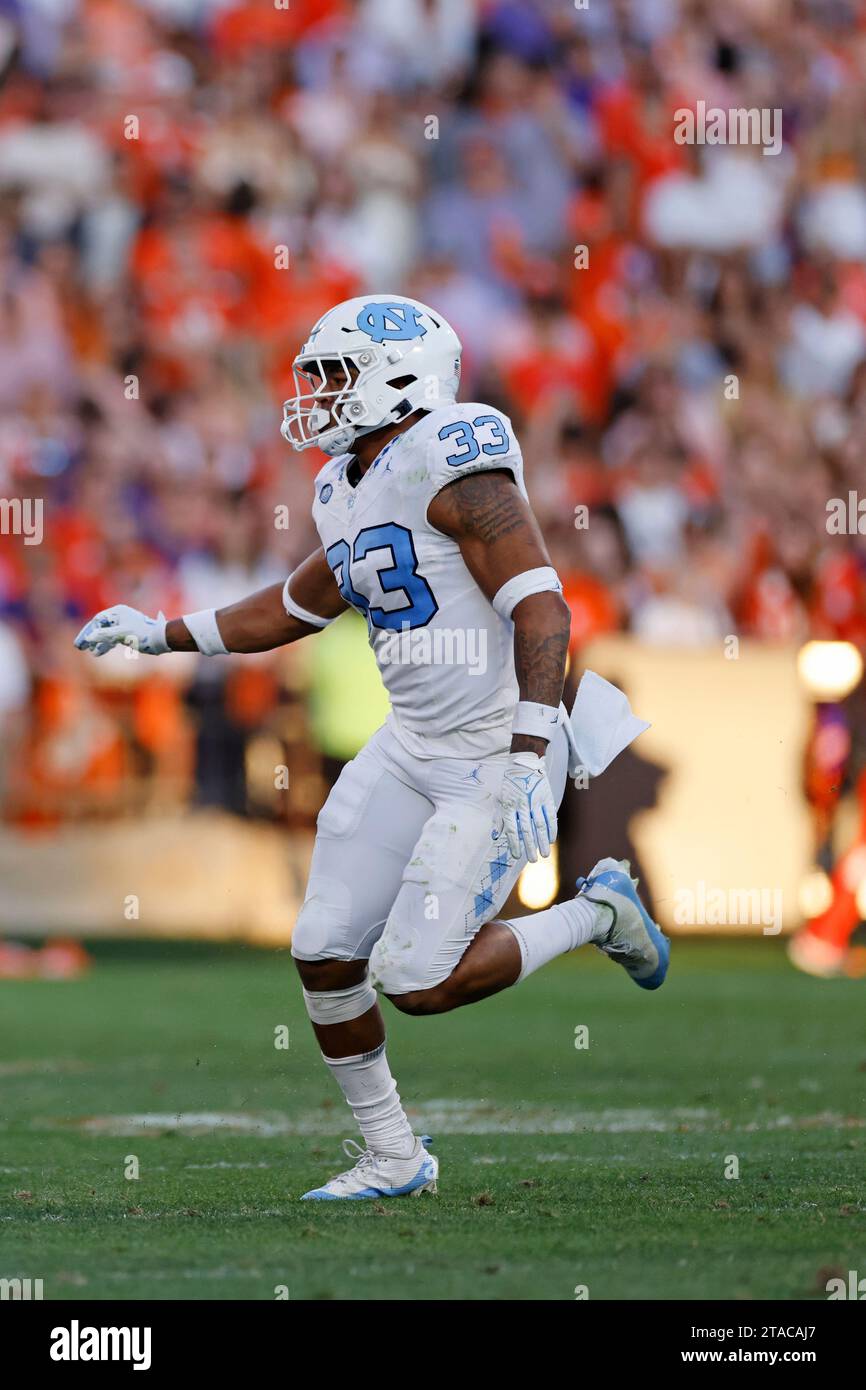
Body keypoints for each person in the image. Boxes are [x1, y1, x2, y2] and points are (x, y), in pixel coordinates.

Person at [74, 295, 669, 1200]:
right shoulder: (343, 484)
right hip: (411, 744)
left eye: (333, 376)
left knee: (417, 979)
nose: (314, 396)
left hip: (493, 748)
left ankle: (598, 913)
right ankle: (394, 1156)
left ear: (399, 377)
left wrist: (528, 751)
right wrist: (162, 634)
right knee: (322, 949)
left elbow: (544, 607)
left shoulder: (452, 456)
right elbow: (298, 603)